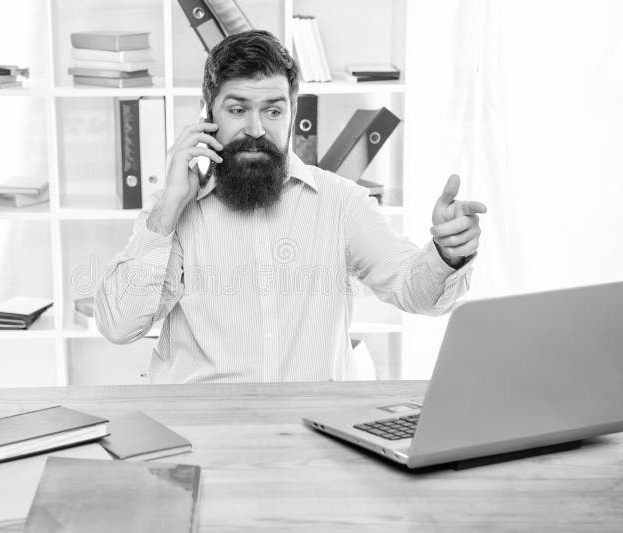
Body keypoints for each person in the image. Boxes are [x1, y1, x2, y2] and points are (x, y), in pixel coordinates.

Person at [95, 30, 486, 383]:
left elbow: (413, 290)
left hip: (312, 432)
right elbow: (119, 326)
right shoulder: (174, 210)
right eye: (237, 109)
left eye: (272, 110)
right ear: (207, 112)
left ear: (292, 111)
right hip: (203, 432)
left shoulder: (339, 202)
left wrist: (446, 255)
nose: (256, 129)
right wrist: (167, 209)